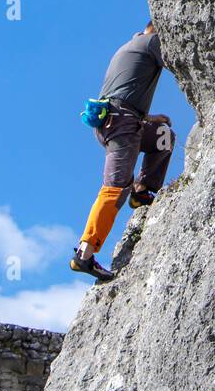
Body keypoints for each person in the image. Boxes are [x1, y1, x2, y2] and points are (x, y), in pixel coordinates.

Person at [70, 21, 174, 282]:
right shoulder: (151, 42)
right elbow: (179, 58)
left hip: (122, 119)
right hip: (122, 124)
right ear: (156, 29)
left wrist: (153, 118)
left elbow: (124, 93)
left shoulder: (130, 46)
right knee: (115, 188)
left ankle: (142, 191)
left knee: (164, 137)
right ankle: (84, 253)